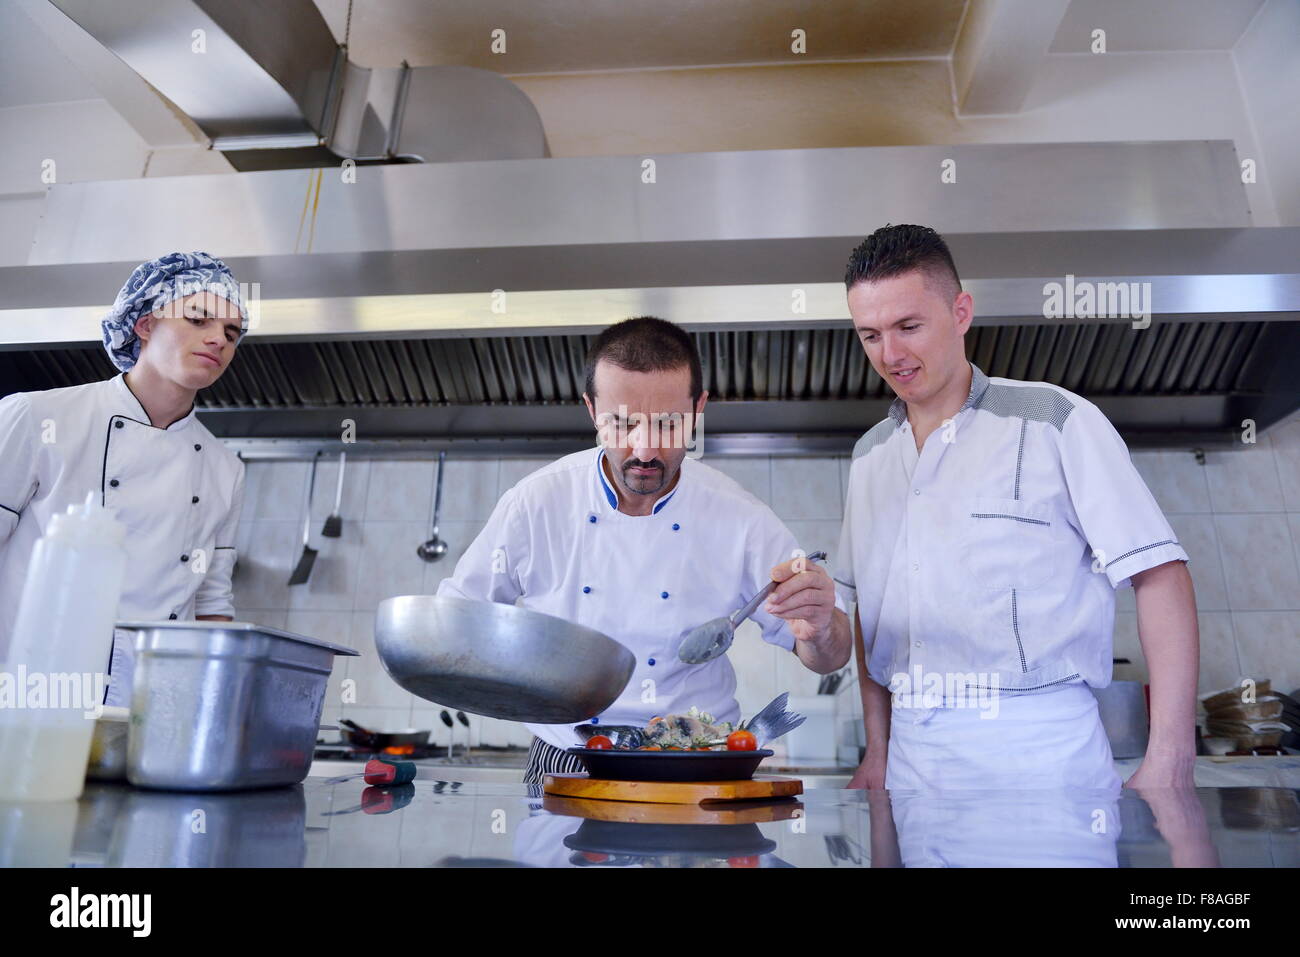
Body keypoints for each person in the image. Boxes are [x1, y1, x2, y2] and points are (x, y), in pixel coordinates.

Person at [836, 224, 1199, 791]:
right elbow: (870, 615)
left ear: (961, 312)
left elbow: (1159, 575)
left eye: (909, 326)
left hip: (1040, 752)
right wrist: (877, 750)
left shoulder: (1055, 420)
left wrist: (1171, 761)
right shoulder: (868, 456)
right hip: (911, 761)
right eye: (871, 335)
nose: (891, 355)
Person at [436, 316, 852, 785]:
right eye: (623, 422)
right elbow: (457, 622)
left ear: (698, 408)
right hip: (569, 759)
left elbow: (831, 653)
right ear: (592, 410)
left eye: (668, 424)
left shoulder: (739, 517)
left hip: (697, 761)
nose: (645, 449)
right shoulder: (536, 503)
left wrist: (818, 627)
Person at [0, 252, 249, 707]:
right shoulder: (36, 417)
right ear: (145, 325)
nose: (218, 339)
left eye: (232, 333)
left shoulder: (224, 468)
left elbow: (213, 602)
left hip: (146, 707)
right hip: (27, 697)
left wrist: (218, 703)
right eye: (198, 319)